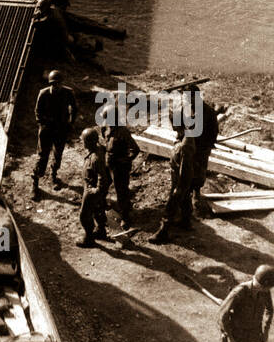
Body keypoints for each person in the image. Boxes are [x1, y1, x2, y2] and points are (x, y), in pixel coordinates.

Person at [147, 122, 197, 244]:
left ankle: (163, 232)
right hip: (180, 175)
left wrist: (179, 186)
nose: (172, 127)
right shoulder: (183, 135)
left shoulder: (185, 144)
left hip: (181, 177)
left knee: (172, 202)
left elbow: (184, 168)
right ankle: (186, 222)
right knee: (184, 198)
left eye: (174, 124)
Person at [32, 69, 77, 199]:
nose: (55, 86)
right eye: (53, 83)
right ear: (50, 83)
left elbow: (74, 108)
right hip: (47, 129)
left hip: (61, 129)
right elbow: (37, 112)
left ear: (62, 83)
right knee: (42, 156)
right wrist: (43, 124)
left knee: (58, 154)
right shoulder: (43, 93)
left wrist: (70, 123)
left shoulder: (68, 93)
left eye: (58, 83)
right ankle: (35, 183)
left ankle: (53, 175)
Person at [102, 96, 140, 229]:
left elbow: (135, 149)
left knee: (121, 192)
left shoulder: (123, 131)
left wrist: (125, 160)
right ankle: (104, 207)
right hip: (108, 163)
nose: (106, 122)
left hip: (119, 167)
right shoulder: (106, 128)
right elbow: (106, 143)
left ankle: (125, 217)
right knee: (103, 185)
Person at [185, 86, 222, 216]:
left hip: (201, 148)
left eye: (190, 97)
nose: (188, 100)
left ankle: (196, 194)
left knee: (199, 173)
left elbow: (214, 132)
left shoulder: (208, 111)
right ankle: (187, 195)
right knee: (187, 171)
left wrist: (206, 147)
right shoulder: (189, 109)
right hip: (190, 147)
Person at [77, 127, 109, 248]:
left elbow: (102, 177)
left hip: (91, 189)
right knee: (98, 210)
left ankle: (89, 238)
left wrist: (96, 191)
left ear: (89, 142)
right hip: (93, 188)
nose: (82, 143)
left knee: (84, 215)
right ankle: (101, 231)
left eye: (84, 141)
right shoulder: (98, 149)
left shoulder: (95, 158)